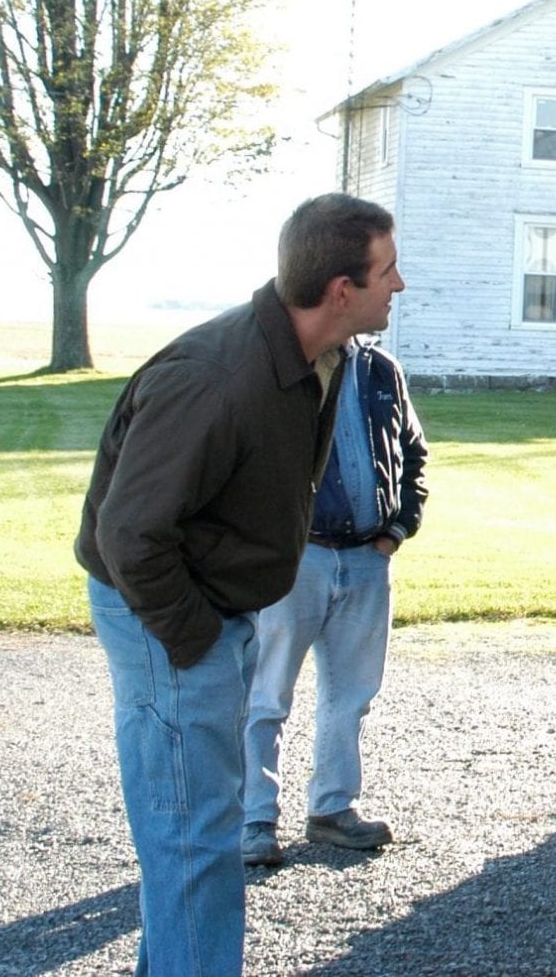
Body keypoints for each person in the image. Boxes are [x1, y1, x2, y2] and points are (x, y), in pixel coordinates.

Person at [75, 193, 403, 977]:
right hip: (166, 614)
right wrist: (196, 644)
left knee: (200, 831)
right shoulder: (216, 378)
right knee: (195, 834)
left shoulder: (325, 355)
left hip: (213, 606)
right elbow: (129, 536)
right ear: (339, 290)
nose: (400, 284)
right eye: (387, 270)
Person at [240, 333, 427, 867]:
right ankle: (255, 819)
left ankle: (333, 808)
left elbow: (414, 454)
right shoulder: (279, 367)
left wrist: (395, 530)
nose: (391, 293)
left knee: (352, 695)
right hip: (298, 559)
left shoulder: (382, 369)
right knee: (266, 696)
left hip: (368, 558)